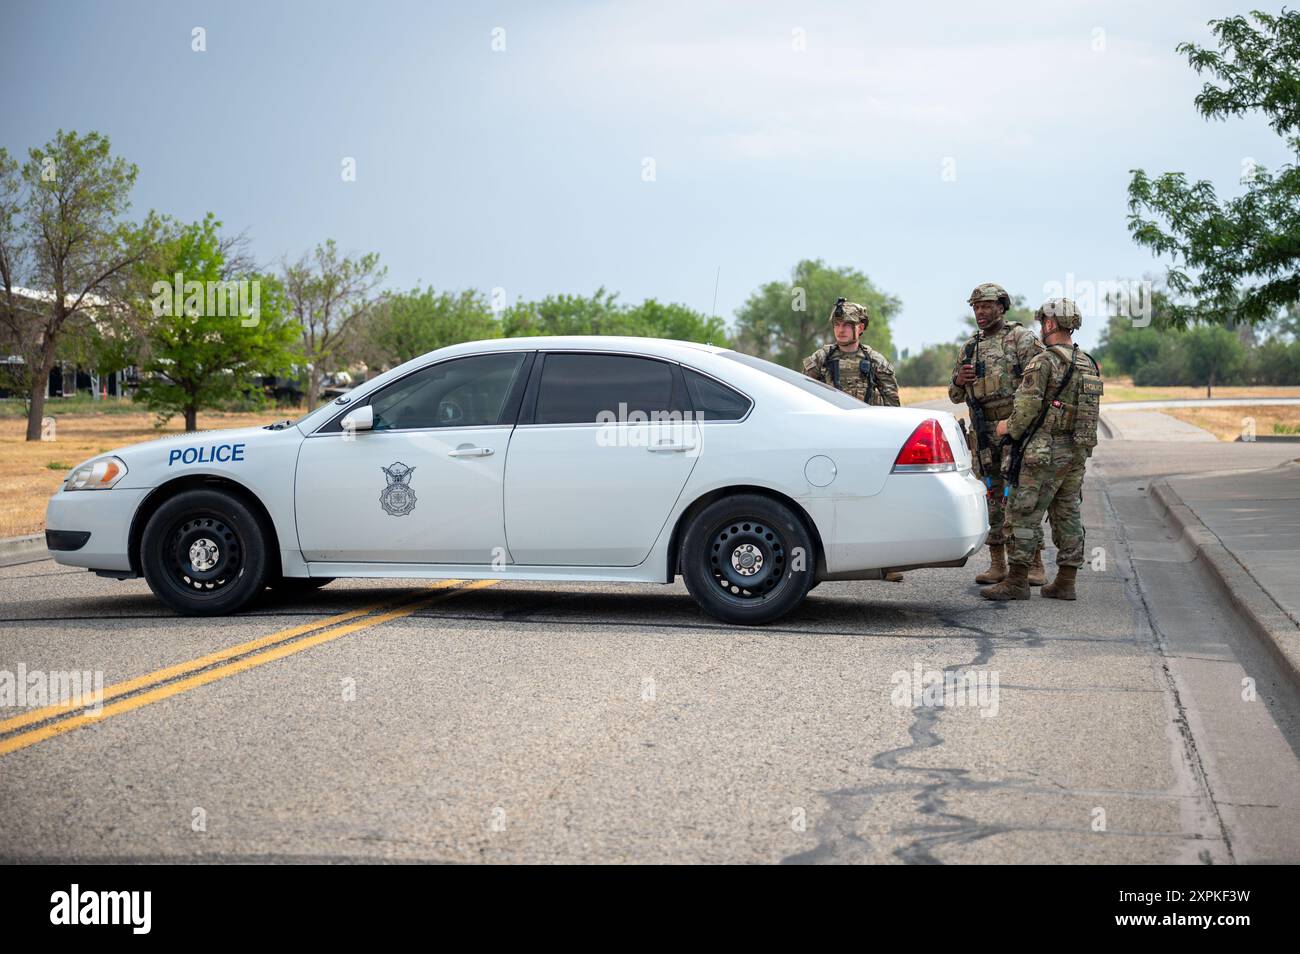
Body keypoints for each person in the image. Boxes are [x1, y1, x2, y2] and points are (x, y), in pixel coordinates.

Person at [981, 298, 1103, 601]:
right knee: (1067, 512)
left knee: (1022, 511)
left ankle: (1018, 581)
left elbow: (1025, 409)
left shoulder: (1044, 361)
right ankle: (1066, 580)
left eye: (1042, 323)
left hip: (1043, 451)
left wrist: (1004, 428)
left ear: (1049, 324)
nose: (1041, 327)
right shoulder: (1088, 362)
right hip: (1076, 451)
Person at [948, 283, 1048, 585]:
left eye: (987, 306)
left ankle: (1034, 563)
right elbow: (954, 395)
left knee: (1019, 497)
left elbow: (1041, 384)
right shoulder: (969, 347)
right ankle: (997, 563)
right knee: (992, 496)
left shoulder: (1021, 339)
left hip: (1014, 430)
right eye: (976, 307)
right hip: (983, 434)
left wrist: (1021, 425)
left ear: (1001, 307)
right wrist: (959, 380)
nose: (980, 312)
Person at [803, 297, 903, 581]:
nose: (841, 330)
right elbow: (801, 395)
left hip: (866, 441)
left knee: (876, 498)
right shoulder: (821, 358)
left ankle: (888, 562)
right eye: (837, 324)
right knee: (827, 500)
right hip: (830, 441)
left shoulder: (875, 361)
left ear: (861, 328)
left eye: (848, 324)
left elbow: (893, 405)